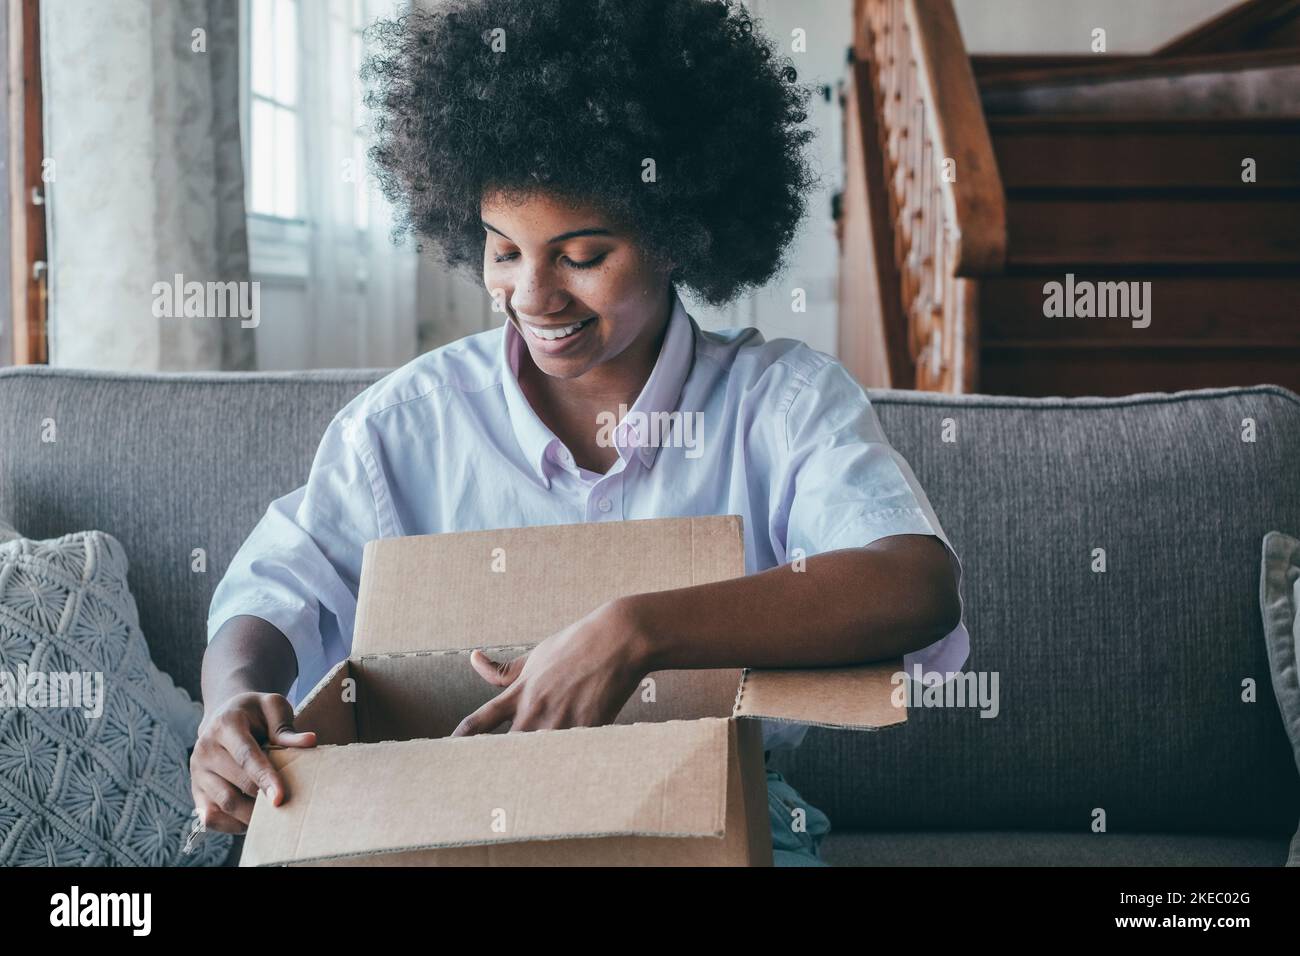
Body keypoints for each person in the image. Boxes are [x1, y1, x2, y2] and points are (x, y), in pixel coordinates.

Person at [194, 0, 969, 866]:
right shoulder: (403, 426)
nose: (532, 296)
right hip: (456, 819)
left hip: (714, 805)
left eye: (582, 256)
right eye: (503, 251)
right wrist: (234, 699)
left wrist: (636, 632)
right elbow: (278, 587)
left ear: (677, 237)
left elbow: (912, 583)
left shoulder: (781, 404)